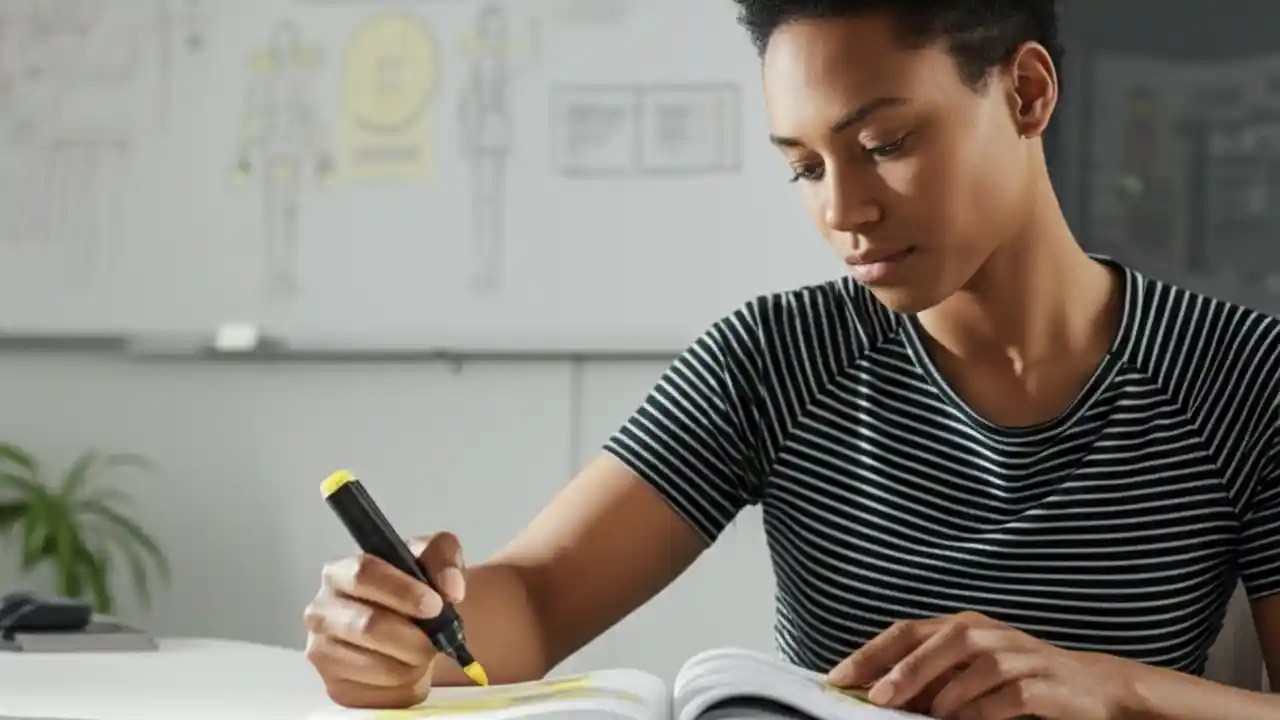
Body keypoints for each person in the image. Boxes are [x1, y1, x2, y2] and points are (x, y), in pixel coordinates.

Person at [303, 2, 1280, 717]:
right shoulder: (775, 358)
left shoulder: (1239, 376)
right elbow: (541, 592)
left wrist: (1112, 691)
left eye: (884, 142)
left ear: (1025, 92)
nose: (841, 213)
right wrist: (401, 639)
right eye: (804, 167)